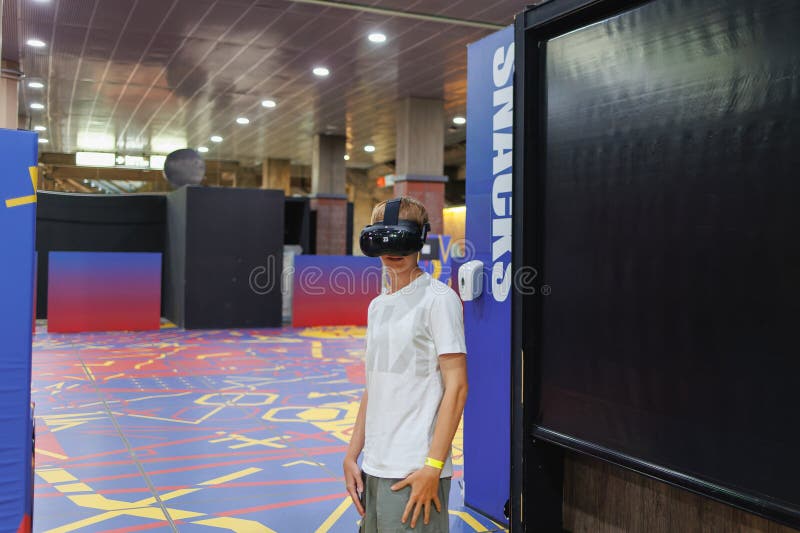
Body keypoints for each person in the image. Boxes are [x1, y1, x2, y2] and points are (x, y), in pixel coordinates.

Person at [344, 196, 468, 532]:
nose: (392, 251)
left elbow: (456, 388)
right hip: (376, 466)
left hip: (415, 467)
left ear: (420, 239)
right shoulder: (377, 306)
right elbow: (376, 385)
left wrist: (433, 466)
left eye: (403, 239)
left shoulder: (439, 300)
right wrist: (353, 454)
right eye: (384, 239)